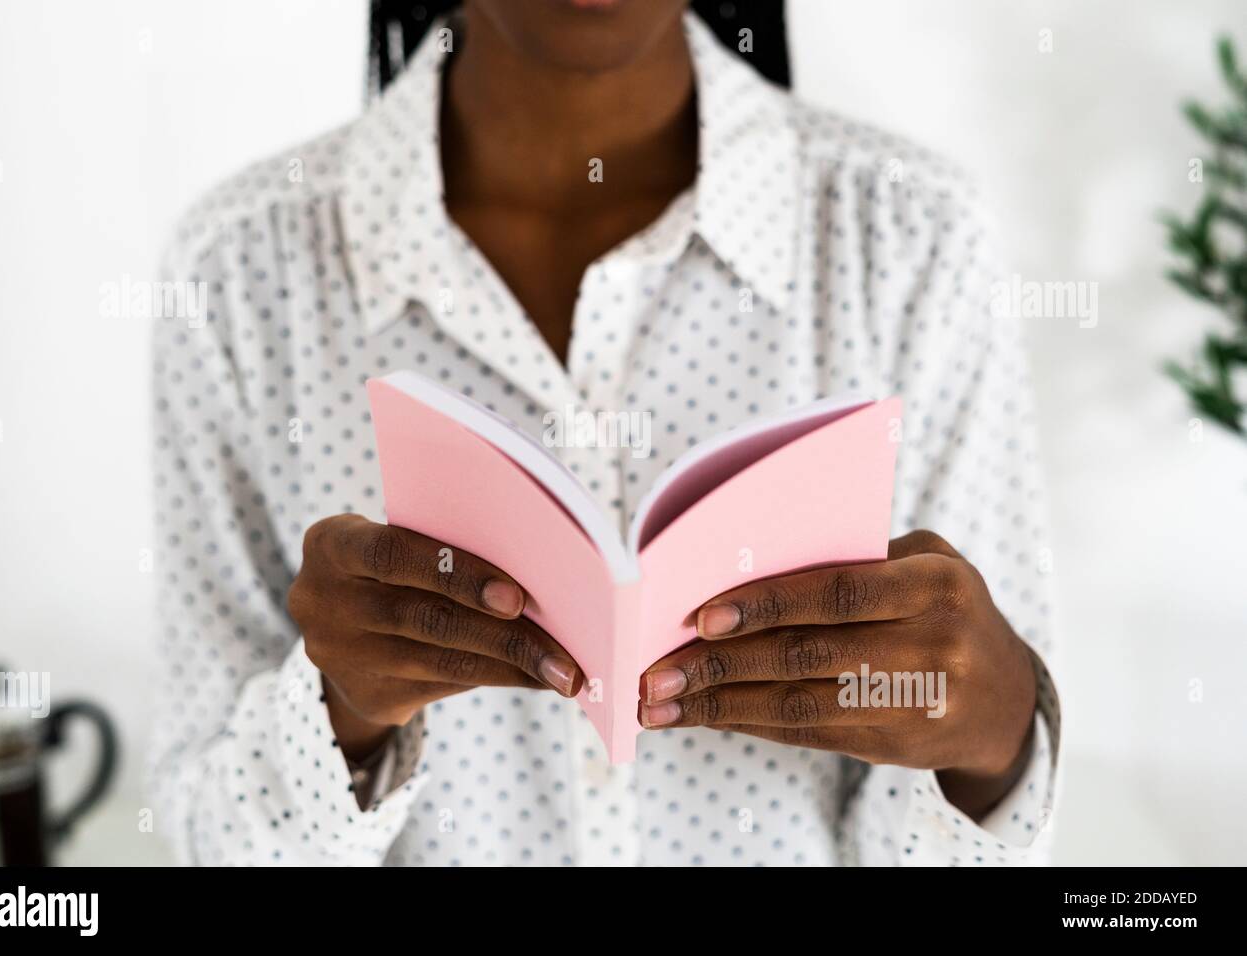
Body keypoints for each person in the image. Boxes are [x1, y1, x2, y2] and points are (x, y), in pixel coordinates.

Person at [148, 0, 1059, 865]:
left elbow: (961, 799)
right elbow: (206, 834)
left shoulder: (915, 242)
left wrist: (994, 743)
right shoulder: (237, 276)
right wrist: (337, 715)